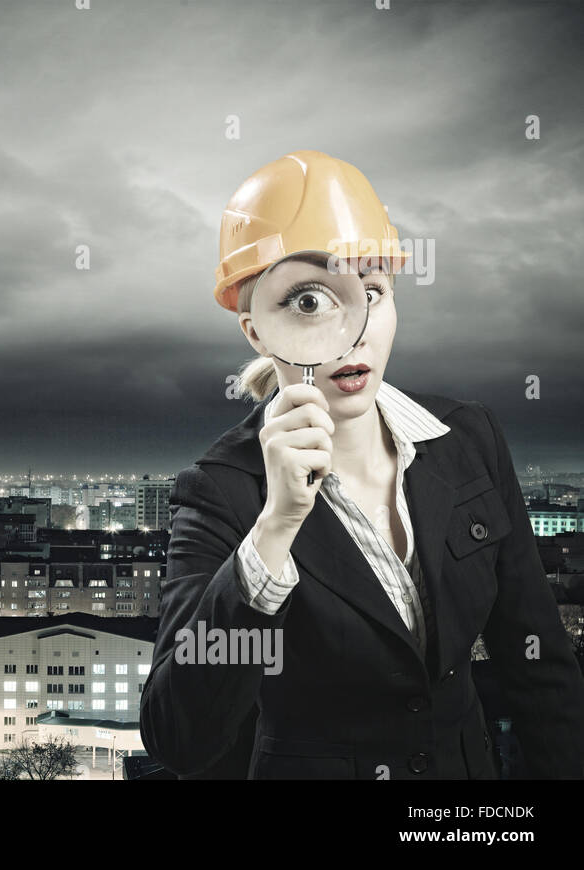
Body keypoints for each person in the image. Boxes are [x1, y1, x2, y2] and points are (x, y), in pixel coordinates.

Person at [139, 150, 584, 779]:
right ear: (257, 331)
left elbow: (542, 672)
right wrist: (275, 529)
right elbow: (178, 737)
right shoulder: (222, 491)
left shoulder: (469, 439)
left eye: (372, 290)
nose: (357, 331)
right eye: (309, 301)